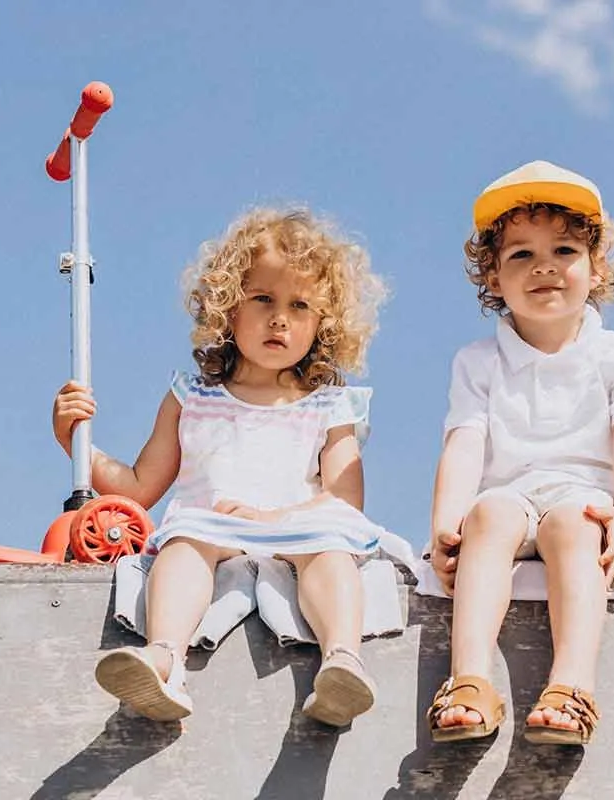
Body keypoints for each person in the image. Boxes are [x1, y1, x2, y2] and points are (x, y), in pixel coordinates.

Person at [52, 207, 403, 727]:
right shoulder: (191, 396)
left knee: (329, 545)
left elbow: (345, 501)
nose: (280, 317)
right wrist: (75, 442)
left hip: (297, 527)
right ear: (227, 307)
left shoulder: (330, 403)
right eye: (263, 298)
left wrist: (273, 519)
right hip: (213, 526)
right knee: (183, 539)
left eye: (300, 304)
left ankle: (342, 663)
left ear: (323, 325)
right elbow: (139, 488)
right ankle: (164, 659)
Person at [426, 161, 614, 745]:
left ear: (595, 266)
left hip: (585, 498)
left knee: (574, 526)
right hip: (508, 496)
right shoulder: (477, 361)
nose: (544, 266)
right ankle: (470, 680)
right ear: (493, 280)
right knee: (488, 515)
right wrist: (445, 525)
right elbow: (464, 442)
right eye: (521, 256)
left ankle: (571, 686)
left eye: (564, 249)